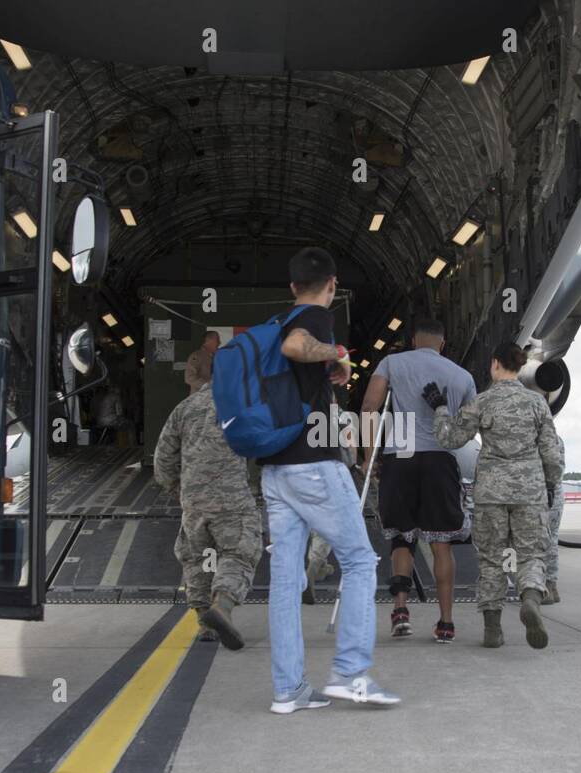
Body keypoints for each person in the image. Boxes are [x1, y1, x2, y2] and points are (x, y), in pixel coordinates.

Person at [257, 246, 400, 713]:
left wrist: (327, 366)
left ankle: (289, 690)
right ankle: (350, 673)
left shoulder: (275, 322)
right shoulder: (313, 320)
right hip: (313, 465)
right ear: (332, 286)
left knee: (285, 581)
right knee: (360, 561)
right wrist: (336, 352)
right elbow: (297, 346)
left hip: (276, 471)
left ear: (292, 285)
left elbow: (289, 352)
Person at [426, 342, 563, 649]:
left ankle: (492, 630)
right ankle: (529, 598)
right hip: (530, 492)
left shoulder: (482, 402)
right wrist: (551, 484)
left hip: (491, 493)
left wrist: (439, 408)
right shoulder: (538, 403)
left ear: (495, 364)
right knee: (530, 554)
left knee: (492, 559)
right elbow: (551, 452)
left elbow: (450, 438)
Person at [360, 318, 477, 643]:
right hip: (440, 460)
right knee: (442, 543)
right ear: (443, 343)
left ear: (413, 340)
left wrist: (369, 455)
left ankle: (400, 609)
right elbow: (469, 427)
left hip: (401, 456)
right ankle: (446, 622)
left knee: (401, 537)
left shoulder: (392, 363)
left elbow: (370, 406)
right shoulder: (462, 376)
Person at [154, 381, 262, 650]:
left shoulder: (184, 408)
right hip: (231, 497)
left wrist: (177, 487)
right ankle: (223, 605)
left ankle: (205, 622)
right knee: (239, 552)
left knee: (199, 556)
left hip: (194, 498)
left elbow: (163, 459)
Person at [542, 433, 566, 604]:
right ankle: (551, 586)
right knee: (550, 540)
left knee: (547, 541)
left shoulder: (547, 437)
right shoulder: (553, 436)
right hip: (550, 494)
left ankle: (549, 586)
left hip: (547, 495)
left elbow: (553, 469)